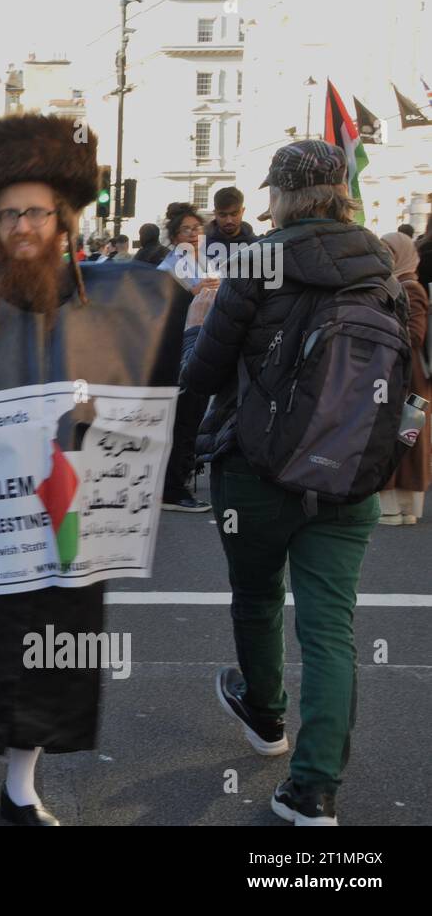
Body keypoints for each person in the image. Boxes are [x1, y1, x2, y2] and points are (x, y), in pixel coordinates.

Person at [0, 113, 141, 825]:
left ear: (64, 221)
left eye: (35, 212)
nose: (21, 225)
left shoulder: (107, 309)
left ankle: (21, 783)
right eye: (8, 213)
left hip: (68, 509)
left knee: (50, 645)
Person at [182, 140, 396, 825]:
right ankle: (315, 789)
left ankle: (265, 715)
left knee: (256, 594)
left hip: (257, 469)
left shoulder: (256, 260)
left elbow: (205, 373)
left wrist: (173, 457)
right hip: (349, 472)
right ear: (340, 192)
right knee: (332, 629)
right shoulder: (382, 264)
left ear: (280, 194)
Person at [157, 201, 213, 513]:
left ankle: (175, 484)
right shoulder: (171, 267)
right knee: (183, 421)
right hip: (178, 351)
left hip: (200, 346)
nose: (193, 235)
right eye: (186, 230)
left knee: (190, 418)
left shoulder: (200, 262)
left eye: (197, 229)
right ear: (174, 236)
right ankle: (173, 490)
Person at [377, 231, 429, 525]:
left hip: (406, 377)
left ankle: (395, 507)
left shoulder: (408, 287)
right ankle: (403, 507)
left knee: (398, 437)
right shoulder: (402, 283)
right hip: (408, 376)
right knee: (406, 438)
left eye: (389, 251)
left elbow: (415, 335)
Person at [204, 186, 258, 268]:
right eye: (223, 215)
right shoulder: (201, 245)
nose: (229, 220)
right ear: (215, 213)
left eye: (234, 214)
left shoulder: (256, 246)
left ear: (242, 211)